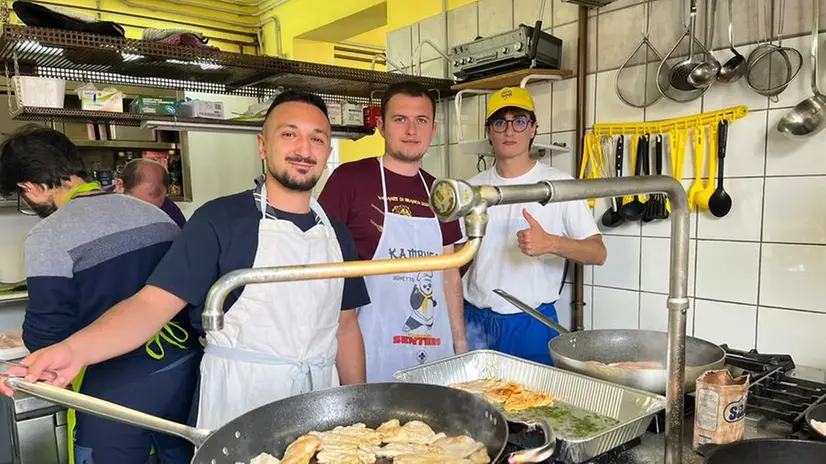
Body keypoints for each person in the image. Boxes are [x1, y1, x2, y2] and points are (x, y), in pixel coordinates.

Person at [0, 91, 371, 431]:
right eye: (289, 134)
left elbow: (346, 327)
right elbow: (150, 305)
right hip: (240, 400)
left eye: (317, 138)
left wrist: (359, 410)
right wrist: (73, 351)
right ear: (263, 145)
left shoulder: (335, 233)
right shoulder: (220, 220)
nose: (304, 149)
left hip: (320, 401)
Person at [0, 125, 199, 463]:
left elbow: (46, 336)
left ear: (29, 186)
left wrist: (27, 338)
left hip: (111, 391)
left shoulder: (48, 236)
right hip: (184, 372)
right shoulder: (156, 215)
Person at [319, 82, 466, 382]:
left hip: (431, 346)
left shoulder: (442, 192)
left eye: (421, 121)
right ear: (381, 125)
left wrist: (459, 343)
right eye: (400, 119)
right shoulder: (349, 179)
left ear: (433, 130)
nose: (411, 130)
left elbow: (449, 273)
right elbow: (323, 264)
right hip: (367, 346)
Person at [462, 87, 607, 365]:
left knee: (534, 406)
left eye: (519, 121)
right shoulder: (471, 188)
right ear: (489, 132)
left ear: (533, 129)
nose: (509, 131)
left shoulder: (560, 185)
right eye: (500, 122)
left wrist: (550, 243)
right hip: (475, 321)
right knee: (473, 405)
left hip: (532, 323)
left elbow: (598, 253)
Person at [115, 158, 187, 228]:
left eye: (156, 209)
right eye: (140, 207)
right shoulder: (106, 210)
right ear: (120, 186)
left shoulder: (169, 210)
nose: (148, 215)